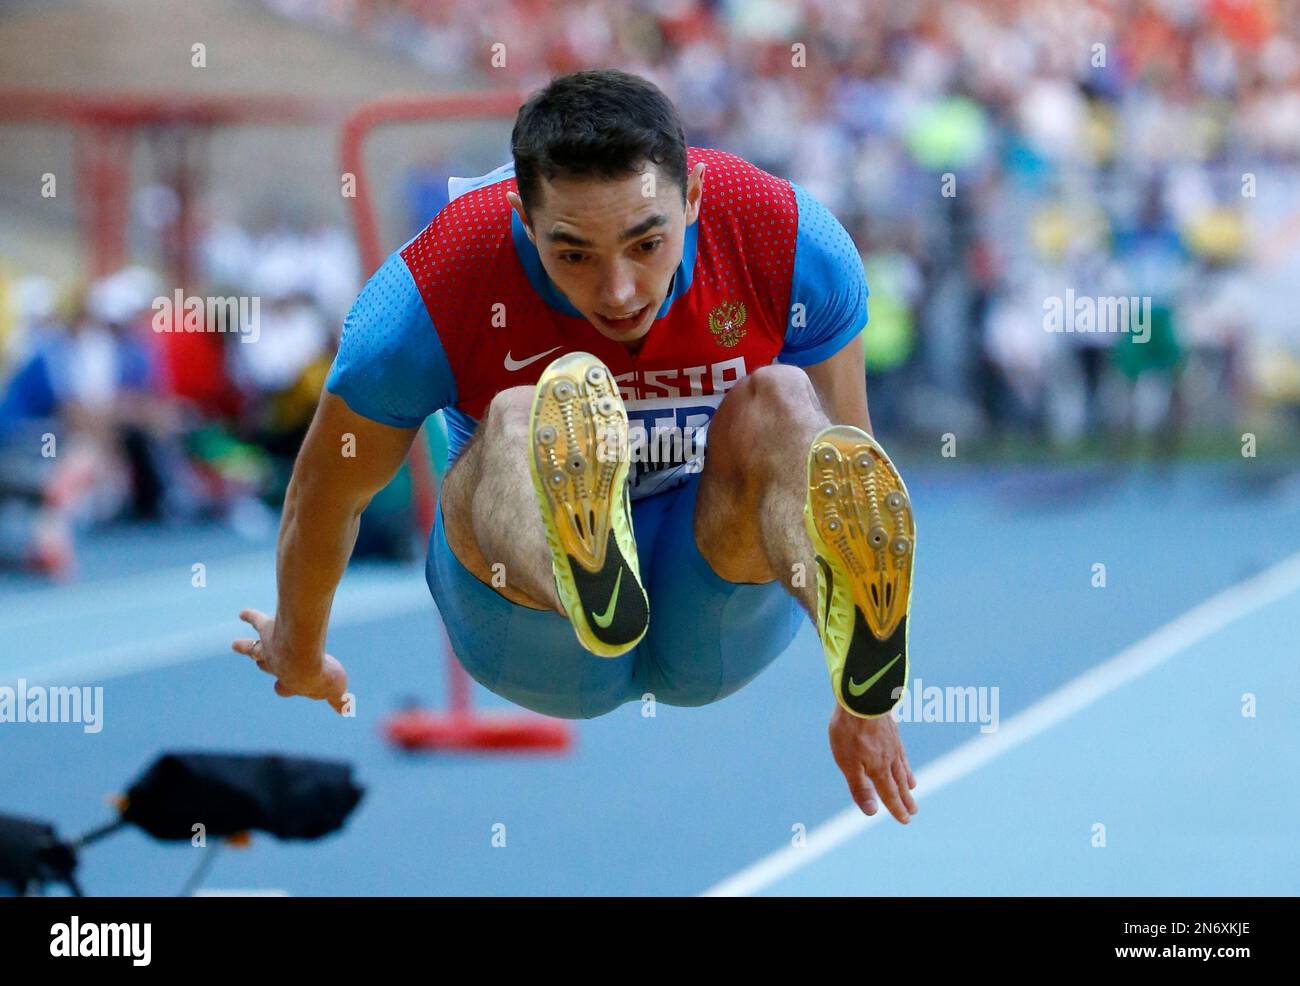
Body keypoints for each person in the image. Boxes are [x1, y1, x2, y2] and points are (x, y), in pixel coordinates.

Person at [233, 70, 919, 823]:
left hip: (717, 586)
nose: (619, 291)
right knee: (518, 416)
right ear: (523, 221)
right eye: (575, 254)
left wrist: (865, 696)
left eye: (645, 242)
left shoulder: (781, 238)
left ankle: (818, 617)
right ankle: (580, 573)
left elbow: (848, 466)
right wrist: (299, 651)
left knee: (786, 403)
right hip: (532, 628)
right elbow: (329, 490)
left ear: (692, 200)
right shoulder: (436, 286)